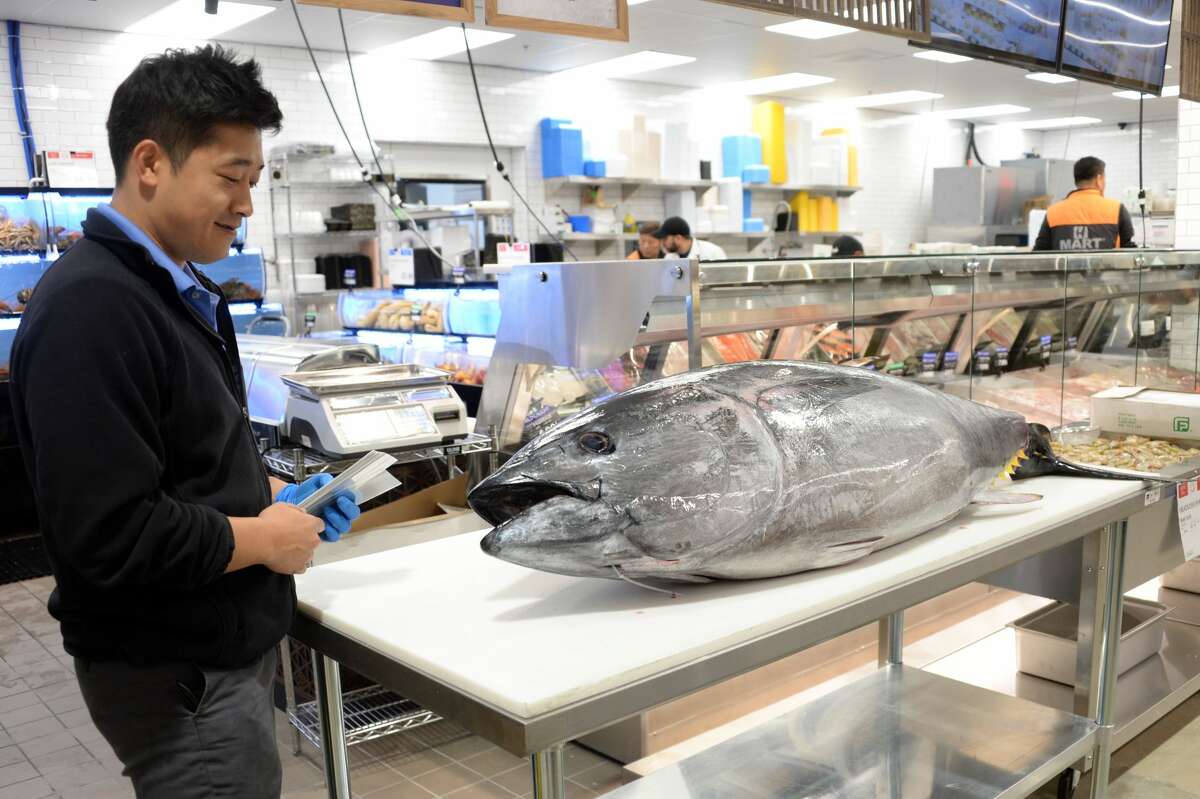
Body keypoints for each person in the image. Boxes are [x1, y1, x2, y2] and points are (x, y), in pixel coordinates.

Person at [9, 45, 361, 798]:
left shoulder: (183, 288)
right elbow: (109, 535)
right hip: (177, 672)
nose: (245, 203)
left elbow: (182, 455)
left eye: (254, 181)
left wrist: (272, 491)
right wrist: (263, 537)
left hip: (216, 644)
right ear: (150, 164)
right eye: (229, 178)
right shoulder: (91, 310)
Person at [1033, 156, 1136, 251]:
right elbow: (1130, 253)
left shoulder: (1053, 212)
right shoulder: (1117, 209)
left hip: (1066, 272)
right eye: (1104, 178)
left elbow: (1039, 255)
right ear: (1099, 179)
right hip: (1108, 271)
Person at [654, 216, 728, 261]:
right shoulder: (669, 257)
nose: (662, 243)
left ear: (678, 238)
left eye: (665, 239)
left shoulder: (712, 252)